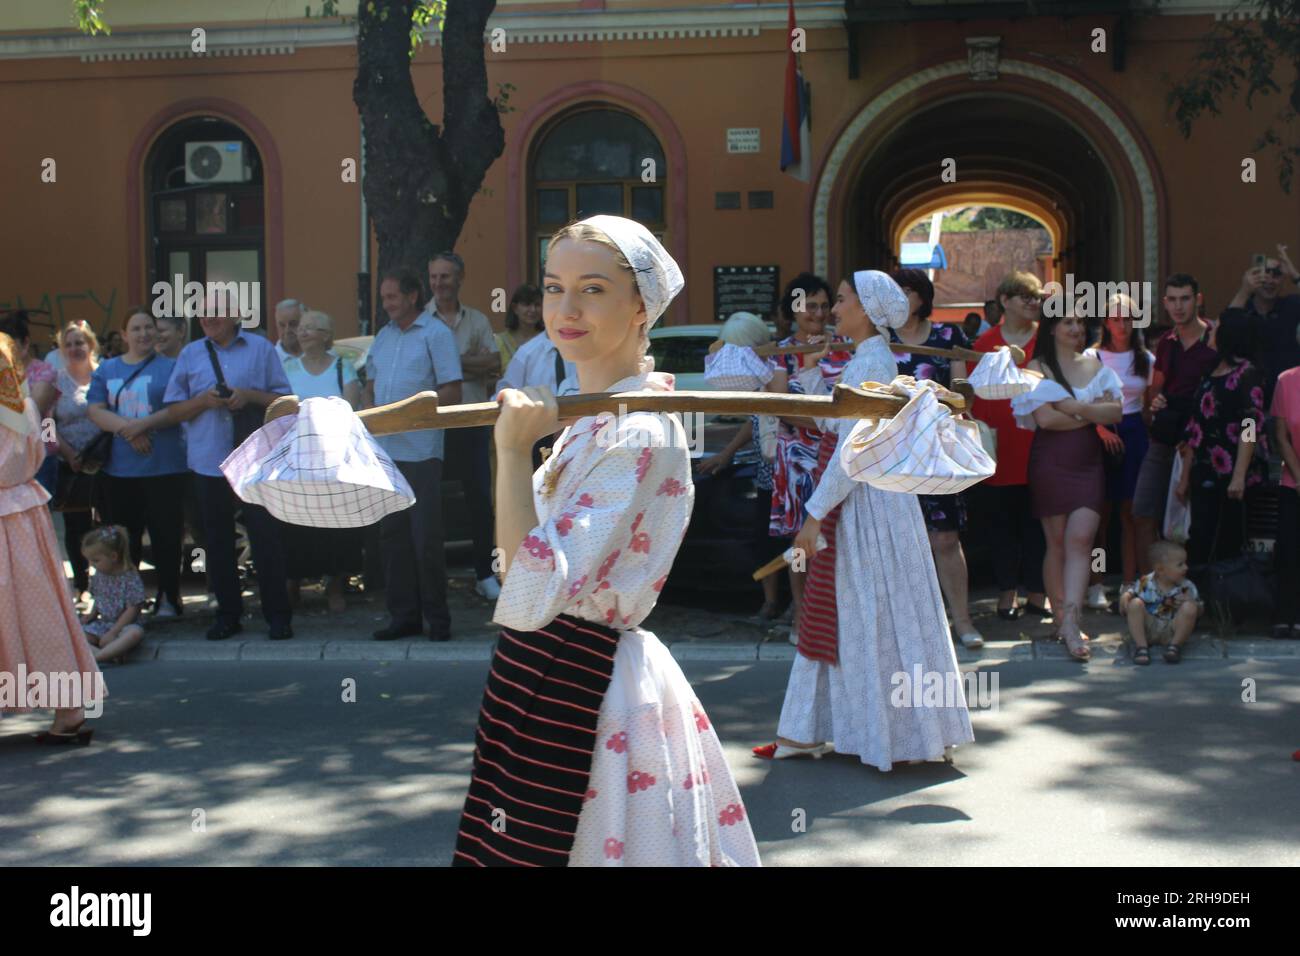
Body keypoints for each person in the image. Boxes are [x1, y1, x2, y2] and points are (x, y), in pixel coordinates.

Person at [452, 215, 760, 867]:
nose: (565, 309)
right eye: (554, 287)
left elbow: (529, 587)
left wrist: (509, 454)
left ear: (642, 306)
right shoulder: (592, 420)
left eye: (592, 289)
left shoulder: (639, 433)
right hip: (535, 667)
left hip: (576, 677)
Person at [756, 270, 974, 768]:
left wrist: (815, 514)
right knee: (859, 614)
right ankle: (819, 729)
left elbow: (851, 454)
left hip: (868, 504)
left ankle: (882, 735)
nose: (834, 310)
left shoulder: (872, 360)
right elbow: (840, 430)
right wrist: (808, 384)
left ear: (869, 310)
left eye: (843, 300)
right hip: (870, 502)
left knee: (868, 615)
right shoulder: (868, 359)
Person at [155, 311, 295, 641]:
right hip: (209, 461)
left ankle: (278, 615)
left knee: (265, 539)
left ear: (234, 316)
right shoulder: (191, 353)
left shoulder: (261, 349)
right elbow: (173, 410)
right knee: (217, 543)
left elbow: (286, 402)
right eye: (202, 314)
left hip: (256, 459)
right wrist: (203, 401)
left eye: (215, 313)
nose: (207, 319)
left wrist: (249, 396)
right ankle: (228, 615)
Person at [0, 331, 103, 743]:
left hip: (11, 518)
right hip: (25, 519)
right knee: (40, 615)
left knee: (15, 617)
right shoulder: (23, 408)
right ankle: (68, 709)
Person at [1013, 309, 1123, 662]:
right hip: (1051, 461)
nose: (1077, 328)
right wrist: (1090, 411)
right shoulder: (1036, 368)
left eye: (1080, 322)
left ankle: (1073, 623)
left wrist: (1073, 408)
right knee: (1057, 543)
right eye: (1068, 322)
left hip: (1088, 462)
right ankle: (1061, 617)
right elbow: (1046, 419)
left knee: (1082, 539)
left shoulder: (1095, 366)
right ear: (1052, 328)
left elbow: (1116, 413)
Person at [365, 269, 463, 642]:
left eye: (392, 297)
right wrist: (371, 410)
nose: (386, 304)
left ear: (411, 296)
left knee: (425, 539)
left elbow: (453, 391)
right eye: (384, 297)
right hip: (386, 454)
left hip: (421, 452)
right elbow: (370, 384)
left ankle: (437, 621)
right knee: (393, 539)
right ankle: (403, 617)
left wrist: (411, 414)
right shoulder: (383, 337)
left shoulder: (436, 334)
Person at [889, 268, 982, 648]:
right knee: (899, 543)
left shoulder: (948, 335)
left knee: (945, 539)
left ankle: (962, 620)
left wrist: (951, 406)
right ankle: (917, 627)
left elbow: (963, 394)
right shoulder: (878, 340)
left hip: (936, 452)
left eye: (908, 292)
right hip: (891, 454)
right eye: (895, 293)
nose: (901, 299)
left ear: (922, 297)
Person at [767, 273, 853, 642]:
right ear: (793, 309)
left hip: (841, 459)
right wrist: (829, 423)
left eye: (823, 305)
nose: (817, 314)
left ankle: (839, 616)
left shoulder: (847, 344)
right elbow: (780, 406)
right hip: (799, 462)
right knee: (800, 546)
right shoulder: (781, 350)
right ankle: (802, 616)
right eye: (808, 306)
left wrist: (833, 427)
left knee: (843, 540)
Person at [86, 306, 188, 618]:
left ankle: (169, 597)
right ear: (124, 334)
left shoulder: (171, 367)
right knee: (122, 539)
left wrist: (142, 425)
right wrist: (129, 431)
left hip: (165, 468)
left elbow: (180, 409)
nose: (144, 334)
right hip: (120, 471)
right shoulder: (107, 368)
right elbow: (95, 410)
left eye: (149, 328)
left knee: (166, 536)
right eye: (137, 328)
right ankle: (125, 601)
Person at [696, 311, 784, 620]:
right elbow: (755, 421)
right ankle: (771, 603)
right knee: (764, 539)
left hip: (790, 474)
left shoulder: (777, 372)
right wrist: (727, 453)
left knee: (792, 542)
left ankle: (798, 608)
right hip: (765, 475)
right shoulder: (756, 379)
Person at [971, 272, 1047, 620]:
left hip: (1041, 444)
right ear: (1004, 301)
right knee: (1001, 523)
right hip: (999, 445)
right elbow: (971, 396)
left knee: (1038, 522)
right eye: (1024, 296)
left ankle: (1037, 590)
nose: (1032, 302)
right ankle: (1006, 592)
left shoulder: (1047, 340)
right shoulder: (983, 344)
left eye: (1035, 297)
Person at [427, 252, 502, 601]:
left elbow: (493, 363)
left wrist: (446, 364)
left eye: (446, 277)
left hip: (472, 421)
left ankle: (484, 574)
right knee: (430, 504)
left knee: (479, 501)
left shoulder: (478, 320)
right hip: (434, 424)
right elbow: (425, 370)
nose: (439, 283)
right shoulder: (421, 322)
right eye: (434, 277)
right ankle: (430, 576)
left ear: (460, 279)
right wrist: (468, 364)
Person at [1132, 274, 1217, 572]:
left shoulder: (1214, 339)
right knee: (1143, 511)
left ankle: (1187, 592)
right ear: (1165, 303)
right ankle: (1151, 587)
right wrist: (1154, 404)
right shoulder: (1166, 342)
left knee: (1188, 521)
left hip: (1203, 441)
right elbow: (1157, 389)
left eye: (1185, 298)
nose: (1179, 306)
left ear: (1198, 299)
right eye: (1173, 300)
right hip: (1165, 436)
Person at [281, 310, 364, 613]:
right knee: (294, 526)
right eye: (300, 329)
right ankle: (292, 584)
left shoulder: (343, 368)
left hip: (333, 460)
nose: (301, 333)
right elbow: (279, 414)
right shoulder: (287, 369)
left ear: (327, 336)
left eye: (310, 329)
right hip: (297, 460)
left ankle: (336, 587)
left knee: (335, 528)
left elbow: (351, 409)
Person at [1175, 315, 1269, 567]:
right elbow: (1196, 428)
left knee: (1229, 543)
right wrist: (1184, 478)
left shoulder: (1246, 373)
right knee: (1199, 539)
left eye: (1217, 327)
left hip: (1234, 474)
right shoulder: (1210, 371)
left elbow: (1250, 425)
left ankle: (1224, 604)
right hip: (1204, 470)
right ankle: (1198, 600)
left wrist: (1239, 475)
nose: (1212, 329)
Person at [1083, 295, 1154, 611]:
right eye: (1115, 319)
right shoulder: (1092, 356)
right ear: (1106, 322)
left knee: (1130, 514)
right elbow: (1082, 401)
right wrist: (1099, 428)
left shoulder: (1146, 359)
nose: (1121, 325)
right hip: (1100, 431)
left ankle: (1128, 581)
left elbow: (1151, 403)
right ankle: (1096, 584)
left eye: (1127, 319)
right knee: (1099, 516)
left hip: (1134, 431)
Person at [51, 319, 105, 604]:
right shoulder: (56, 381)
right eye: (68, 344)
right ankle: (81, 584)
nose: (75, 348)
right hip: (70, 464)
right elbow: (46, 423)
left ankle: (108, 583)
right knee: (75, 527)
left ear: (91, 345)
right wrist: (65, 452)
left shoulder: (105, 374)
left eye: (79, 343)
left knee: (108, 524)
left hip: (105, 461)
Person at [1221, 245, 1300, 404]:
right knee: (1247, 429)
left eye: (1276, 274)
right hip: (1249, 405)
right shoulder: (1242, 311)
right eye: (1264, 273)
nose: (1269, 280)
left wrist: (1294, 275)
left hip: (1289, 406)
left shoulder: (1292, 305)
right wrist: (1244, 290)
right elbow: (1224, 333)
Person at [0, 310, 59, 494]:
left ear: (25, 343)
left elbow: (33, 409)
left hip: (39, 456)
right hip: (6, 458)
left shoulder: (44, 371)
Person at [1119, 540, 1201, 665]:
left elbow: (1199, 610)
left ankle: (1175, 647)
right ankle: (1141, 647)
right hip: (1149, 627)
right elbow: (1131, 592)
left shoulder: (1186, 586)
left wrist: (1191, 603)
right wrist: (1125, 597)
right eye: (1180, 564)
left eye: (1185, 563)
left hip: (1172, 629)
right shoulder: (1146, 582)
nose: (1186, 567)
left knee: (1190, 607)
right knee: (1135, 603)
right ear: (1160, 569)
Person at [79, 524, 147, 663]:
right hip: (103, 623)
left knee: (135, 634)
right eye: (90, 560)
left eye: (96, 560)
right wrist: (91, 615)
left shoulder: (130, 578)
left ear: (113, 556)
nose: (91, 564)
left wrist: (113, 632)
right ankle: (110, 653)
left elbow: (132, 609)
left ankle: (98, 657)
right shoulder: (98, 575)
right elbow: (99, 598)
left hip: (124, 626)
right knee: (75, 635)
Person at [1270, 362, 1300, 639]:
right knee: (1289, 550)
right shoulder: (1286, 380)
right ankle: (1284, 614)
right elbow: (1281, 436)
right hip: (1293, 480)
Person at [495, 283, 545, 370]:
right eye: (527, 304)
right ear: (515, 308)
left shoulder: (549, 340)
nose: (533, 310)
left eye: (537, 305)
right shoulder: (500, 342)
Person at [273, 299, 306, 364]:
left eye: (293, 324)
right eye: (282, 325)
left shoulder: (320, 355)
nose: (287, 330)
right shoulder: (268, 359)